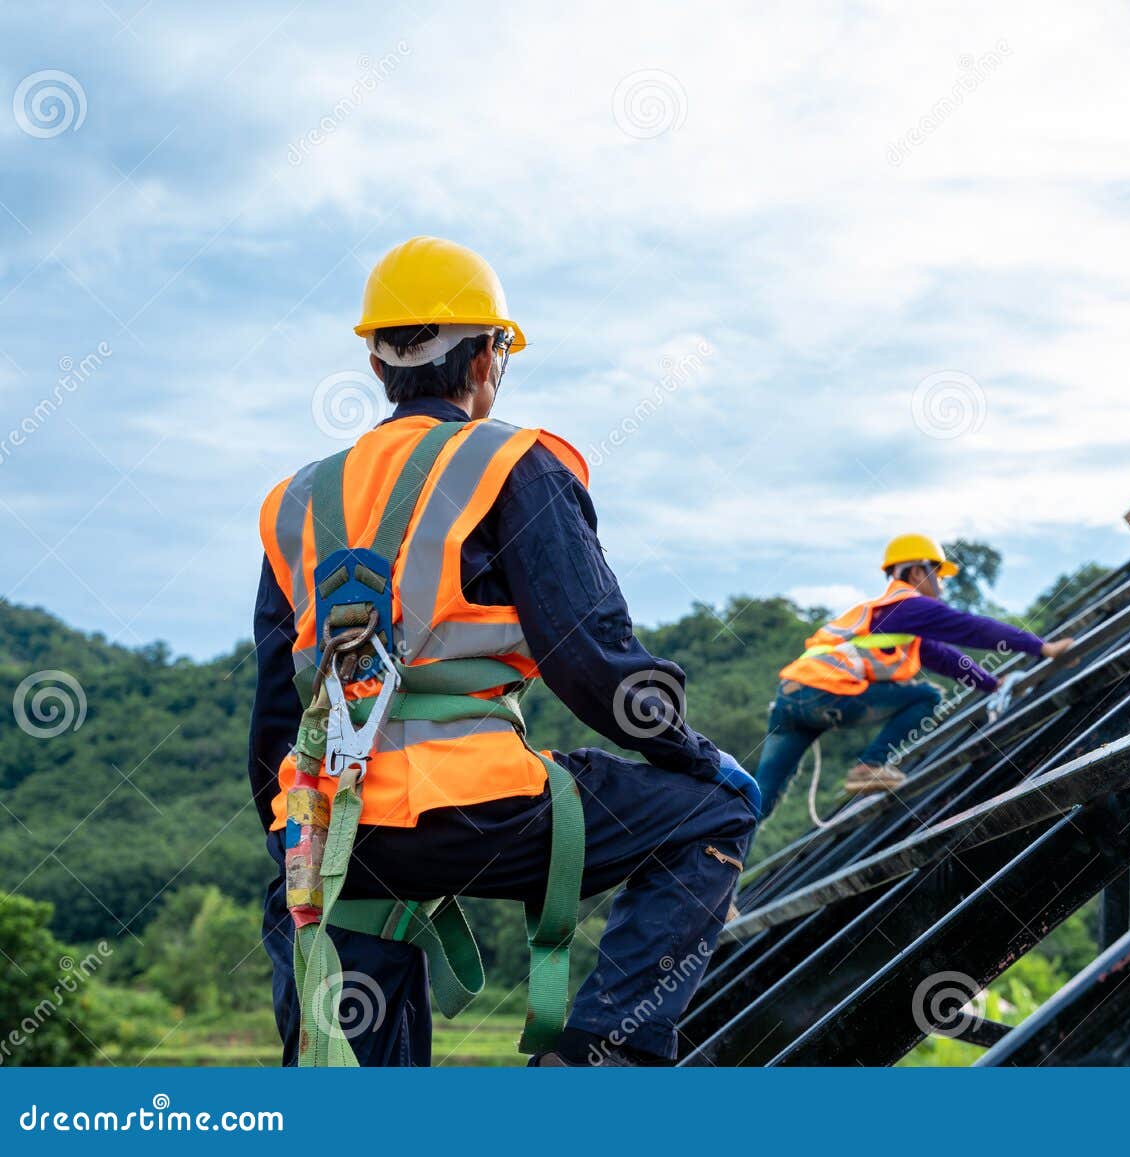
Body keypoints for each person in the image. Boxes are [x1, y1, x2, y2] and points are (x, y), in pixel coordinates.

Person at [249, 236, 757, 1067]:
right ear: (488, 356)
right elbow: (590, 658)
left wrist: (294, 846)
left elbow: (277, 710)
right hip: (473, 804)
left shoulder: (297, 499)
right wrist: (694, 754)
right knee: (713, 813)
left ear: (379, 367)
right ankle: (598, 1059)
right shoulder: (511, 462)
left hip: (332, 829)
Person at [753, 534, 1073, 820]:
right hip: (824, 693)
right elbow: (972, 629)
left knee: (759, 801)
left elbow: (948, 659)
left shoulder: (889, 618)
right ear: (918, 572)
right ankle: (870, 767)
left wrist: (992, 685)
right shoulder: (905, 606)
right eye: (939, 576)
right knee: (927, 696)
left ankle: (717, 872)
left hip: (790, 697)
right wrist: (1041, 648)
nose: (941, 586)